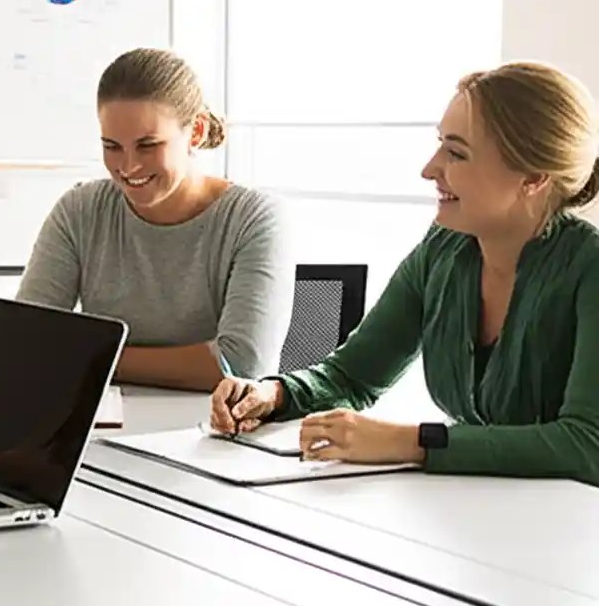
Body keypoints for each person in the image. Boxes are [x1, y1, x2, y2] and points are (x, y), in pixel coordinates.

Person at [209, 61, 599, 486]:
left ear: (534, 178)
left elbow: (586, 445)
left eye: (456, 153)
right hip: (485, 512)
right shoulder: (442, 251)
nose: (429, 169)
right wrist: (273, 394)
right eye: (440, 145)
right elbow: (352, 376)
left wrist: (412, 442)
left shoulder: (589, 268)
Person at [17, 48, 295, 391]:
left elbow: (241, 364)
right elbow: (26, 340)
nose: (128, 166)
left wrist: (89, 357)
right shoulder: (80, 210)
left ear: (195, 133)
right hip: (102, 428)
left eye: (148, 146)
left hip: (216, 434)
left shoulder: (254, 220)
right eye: (111, 146)